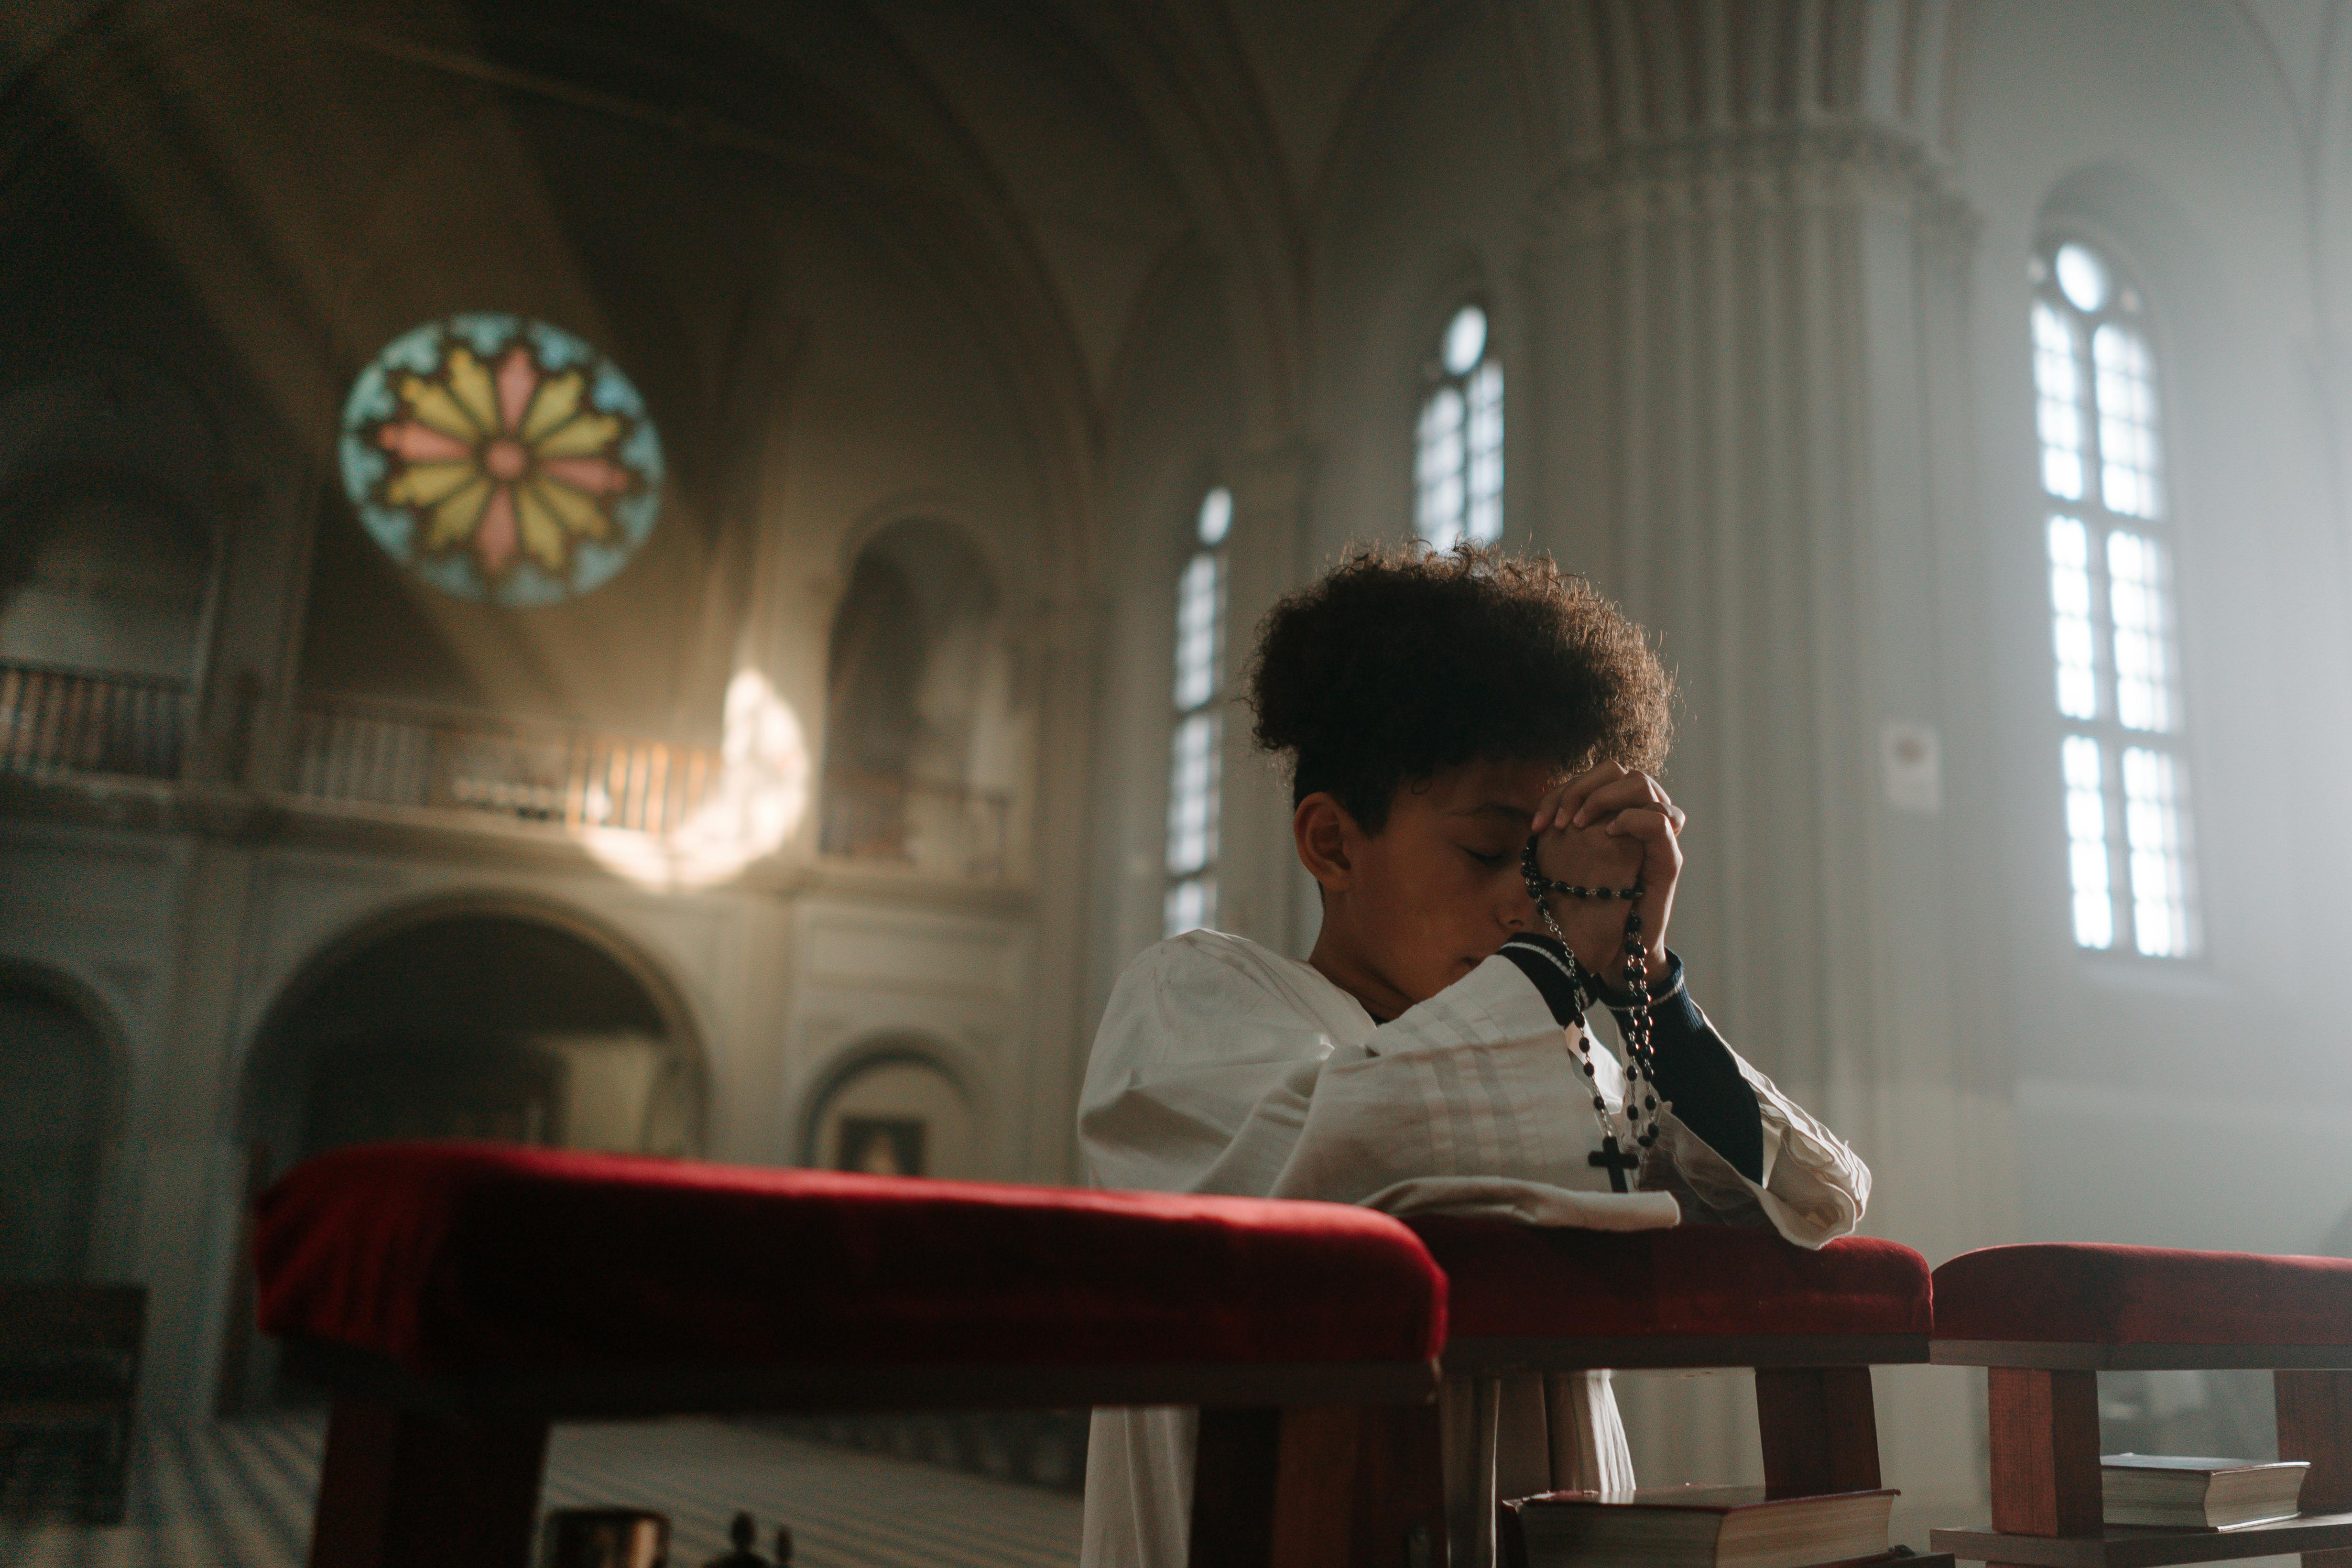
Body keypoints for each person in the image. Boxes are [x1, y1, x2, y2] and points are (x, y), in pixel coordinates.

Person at [1077, 545, 1872, 1568]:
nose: (1525, 905)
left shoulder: (1570, 1053)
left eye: (1551, 873)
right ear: (1331, 842)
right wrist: (1554, 956)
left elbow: (1807, 1192)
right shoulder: (1190, 996)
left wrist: (1650, 977)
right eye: (1492, 852)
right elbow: (1329, 1153)